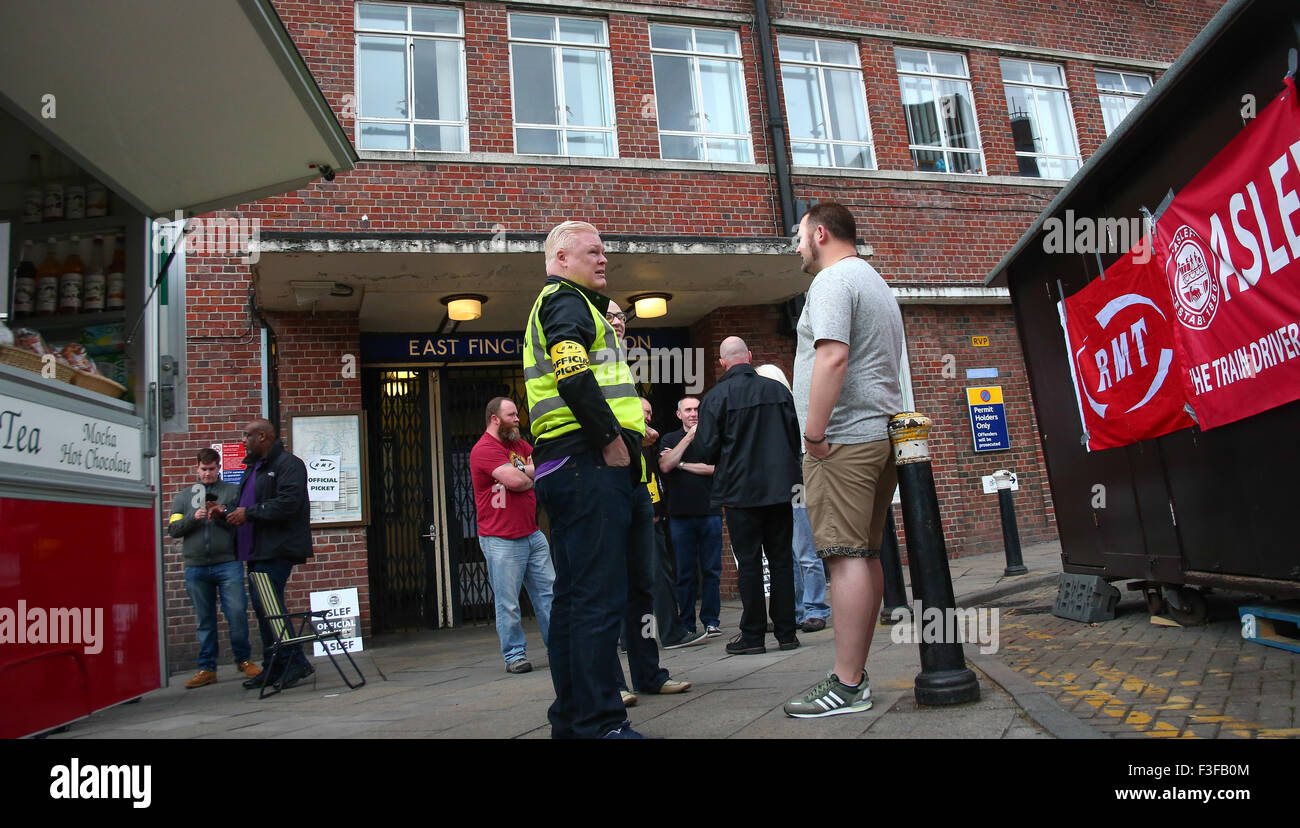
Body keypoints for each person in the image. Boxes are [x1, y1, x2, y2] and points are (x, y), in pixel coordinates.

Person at [523, 220, 655, 738]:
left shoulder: (565, 303)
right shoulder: (566, 300)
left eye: (605, 253)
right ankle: (602, 722)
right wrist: (610, 438)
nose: (604, 260)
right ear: (560, 260)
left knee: (575, 600)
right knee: (598, 599)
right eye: (593, 252)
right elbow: (571, 372)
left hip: (564, 464)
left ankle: (573, 720)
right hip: (587, 463)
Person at [783, 202, 904, 718]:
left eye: (799, 236)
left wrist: (813, 434)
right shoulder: (874, 281)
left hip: (843, 441)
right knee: (865, 553)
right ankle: (854, 674)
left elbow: (832, 355)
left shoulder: (832, 281)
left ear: (822, 233)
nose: (795, 246)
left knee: (844, 557)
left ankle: (848, 683)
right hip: (877, 435)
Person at [603, 302, 694, 707]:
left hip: (637, 485)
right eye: (610, 317)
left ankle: (648, 673)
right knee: (607, 588)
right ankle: (610, 682)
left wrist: (641, 432)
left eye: (621, 316)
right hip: (604, 484)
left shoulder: (621, 365)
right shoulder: (589, 361)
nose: (619, 322)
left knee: (644, 585)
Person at [695, 337, 802, 654]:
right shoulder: (779, 391)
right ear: (750, 357)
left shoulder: (716, 397)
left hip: (740, 493)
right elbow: (794, 438)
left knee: (750, 563)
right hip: (781, 490)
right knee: (782, 560)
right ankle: (787, 632)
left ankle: (753, 635)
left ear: (723, 362)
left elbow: (705, 450)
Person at [226, 418, 315, 691]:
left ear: (263, 437)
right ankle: (275, 665)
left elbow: (288, 503)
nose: (243, 440)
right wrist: (226, 512)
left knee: (270, 607)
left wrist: (248, 513)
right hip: (256, 549)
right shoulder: (254, 467)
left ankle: (292, 662)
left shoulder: (289, 465)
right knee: (265, 609)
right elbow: (245, 504)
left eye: (247, 435)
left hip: (277, 549)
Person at [469, 396, 554, 674]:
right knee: (508, 602)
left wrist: (523, 472)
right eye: (512, 415)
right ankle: (515, 654)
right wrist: (527, 474)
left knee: (549, 595)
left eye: (517, 414)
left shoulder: (520, 445)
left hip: (533, 533)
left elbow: (546, 465)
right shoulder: (484, 449)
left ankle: (559, 647)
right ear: (495, 419)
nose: (518, 419)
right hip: (501, 538)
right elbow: (518, 481)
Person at [167, 448, 260, 688]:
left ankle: (244, 659)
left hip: (227, 562)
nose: (207, 474)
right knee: (204, 619)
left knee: (237, 613)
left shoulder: (231, 491)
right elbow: (173, 530)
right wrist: (192, 518)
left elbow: (242, 523)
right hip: (196, 566)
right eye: (203, 469)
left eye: (211, 469)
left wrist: (222, 513)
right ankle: (207, 668)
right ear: (196, 469)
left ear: (219, 468)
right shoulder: (183, 496)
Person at [755, 364, 831, 633]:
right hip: (777, 489)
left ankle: (815, 608)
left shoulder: (793, 408)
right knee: (786, 554)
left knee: (806, 552)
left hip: (797, 484)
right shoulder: (764, 414)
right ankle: (796, 609)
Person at [658, 397, 723, 639]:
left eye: (697, 409)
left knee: (712, 570)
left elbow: (717, 469)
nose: (693, 414)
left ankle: (711, 621)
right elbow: (665, 465)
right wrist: (687, 440)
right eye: (688, 410)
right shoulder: (669, 439)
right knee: (684, 573)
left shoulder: (713, 436)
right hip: (680, 516)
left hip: (710, 513)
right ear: (679, 415)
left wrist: (682, 463)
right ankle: (686, 624)